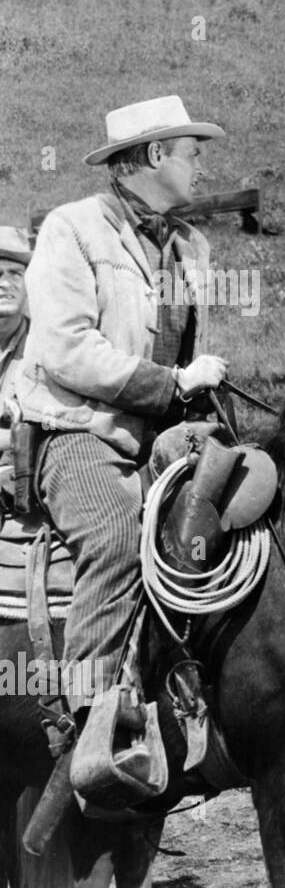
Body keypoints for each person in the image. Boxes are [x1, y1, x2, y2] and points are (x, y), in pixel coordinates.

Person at [17, 95, 230, 769]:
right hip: (79, 430)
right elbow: (66, 350)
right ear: (152, 157)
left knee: (255, 512)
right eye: (191, 152)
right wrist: (169, 384)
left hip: (168, 434)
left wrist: (201, 403)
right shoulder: (71, 228)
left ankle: (220, 697)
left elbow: (199, 351)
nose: (200, 165)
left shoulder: (193, 244)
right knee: (115, 529)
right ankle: (91, 719)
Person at [0, 226, 32, 461]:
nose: (5, 283)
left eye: (15, 273)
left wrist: (12, 438)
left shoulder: (46, 347)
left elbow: (56, 425)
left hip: (16, 477)